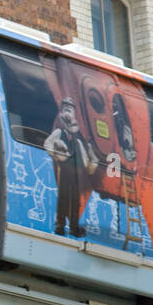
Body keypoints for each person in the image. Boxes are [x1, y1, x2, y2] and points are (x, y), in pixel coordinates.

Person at [43, 97, 99, 237]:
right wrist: (57, 156)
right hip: (65, 172)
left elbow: (87, 161)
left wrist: (92, 162)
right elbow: (47, 144)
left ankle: (73, 227)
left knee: (75, 201)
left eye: (71, 110)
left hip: (77, 175)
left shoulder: (78, 140)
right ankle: (60, 225)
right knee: (63, 198)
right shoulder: (59, 133)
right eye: (65, 110)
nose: (68, 113)